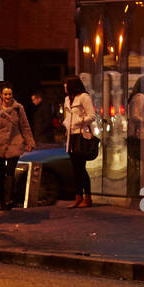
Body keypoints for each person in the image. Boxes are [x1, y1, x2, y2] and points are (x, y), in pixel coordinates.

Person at [0, 85, 34, 210]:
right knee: (0, 172)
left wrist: (29, 142)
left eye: (9, 94)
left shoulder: (18, 108)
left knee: (10, 172)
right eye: (5, 94)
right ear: (1, 95)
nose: (7, 97)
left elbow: (25, 125)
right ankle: (0, 199)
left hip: (14, 142)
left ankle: (8, 199)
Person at [64, 76, 97, 208]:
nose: (64, 87)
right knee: (75, 168)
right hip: (70, 135)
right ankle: (78, 196)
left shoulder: (84, 97)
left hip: (81, 135)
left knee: (81, 168)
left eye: (66, 84)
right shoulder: (67, 99)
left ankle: (87, 197)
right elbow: (67, 116)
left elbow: (92, 116)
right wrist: (66, 123)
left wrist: (79, 121)